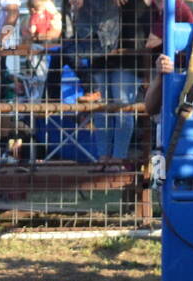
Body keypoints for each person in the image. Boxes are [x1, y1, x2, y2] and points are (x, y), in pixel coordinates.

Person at [67, 0, 147, 164]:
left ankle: (118, 158)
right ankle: (103, 157)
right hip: (99, 46)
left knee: (123, 106)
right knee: (100, 108)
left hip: (128, 49)